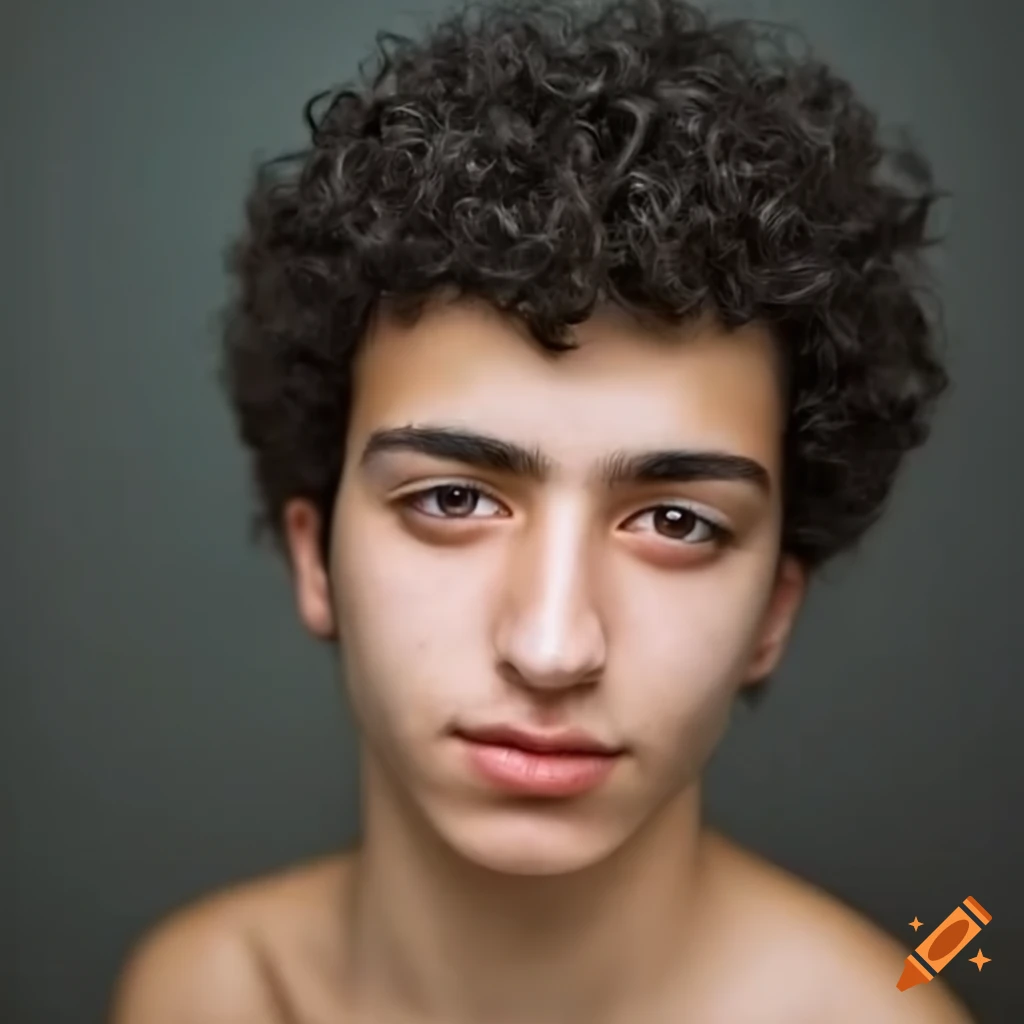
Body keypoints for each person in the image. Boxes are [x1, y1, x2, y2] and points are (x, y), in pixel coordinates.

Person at [110, 0, 972, 1020]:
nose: (552, 647)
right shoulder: (205, 993)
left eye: (676, 521)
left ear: (775, 611)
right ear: (315, 558)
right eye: (453, 497)